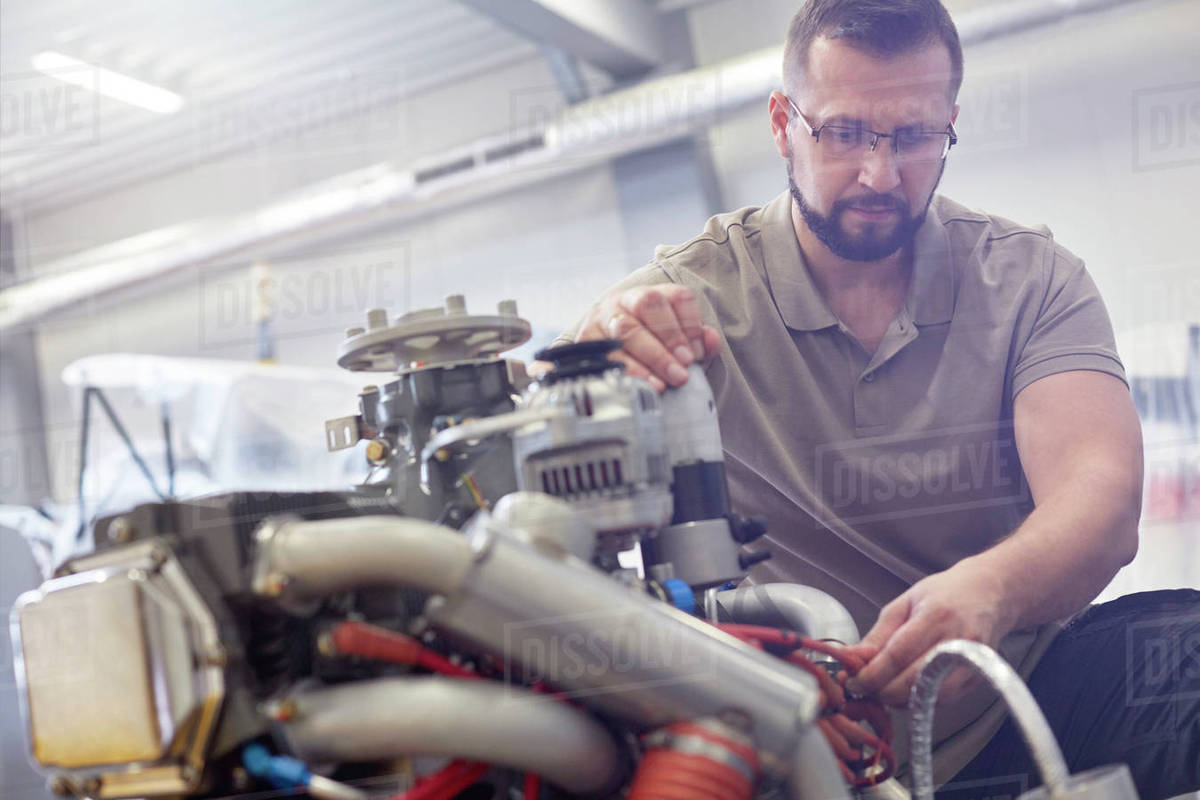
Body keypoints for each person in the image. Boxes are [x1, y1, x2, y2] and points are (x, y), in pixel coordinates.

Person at [552, 1, 1200, 797]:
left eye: (914, 136)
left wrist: (990, 595)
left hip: (1010, 705)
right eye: (846, 133)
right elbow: (554, 522)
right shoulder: (680, 304)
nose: (880, 174)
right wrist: (595, 367)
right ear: (783, 121)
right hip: (789, 744)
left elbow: (1099, 504)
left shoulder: (1033, 280)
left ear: (950, 123)